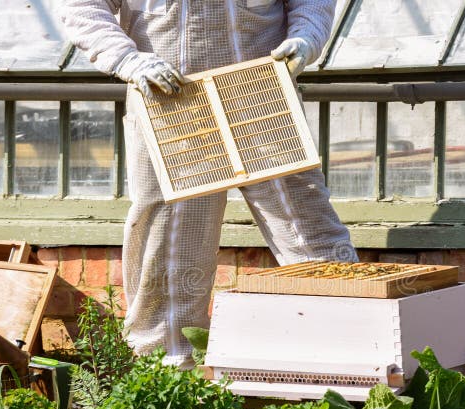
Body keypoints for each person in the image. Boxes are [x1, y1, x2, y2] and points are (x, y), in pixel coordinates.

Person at [61, 0, 357, 368]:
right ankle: (165, 375)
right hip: (169, 102)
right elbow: (82, 5)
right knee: (170, 241)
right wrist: (127, 59)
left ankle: (352, 352)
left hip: (261, 97)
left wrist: (306, 37)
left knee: (309, 229)